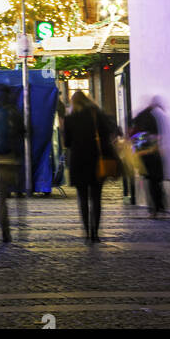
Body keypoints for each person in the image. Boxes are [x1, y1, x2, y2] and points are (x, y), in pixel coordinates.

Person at [63, 89, 115, 242]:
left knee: (83, 198)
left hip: (78, 162)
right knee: (96, 198)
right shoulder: (96, 114)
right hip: (96, 160)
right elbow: (108, 133)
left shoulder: (70, 118)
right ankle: (95, 233)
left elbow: (67, 143)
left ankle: (86, 232)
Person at [0, 86, 25, 242]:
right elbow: (24, 132)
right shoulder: (15, 113)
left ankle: (5, 231)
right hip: (14, 160)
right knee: (19, 197)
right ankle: (21, 230)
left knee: (1, 199)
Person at [130, 99, 167, 216]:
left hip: (146, 157)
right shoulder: (149, 121)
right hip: (153, 156)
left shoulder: (140, 122)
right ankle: (158, 206)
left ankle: (155, 208)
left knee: (151, 183)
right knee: (155, 182)